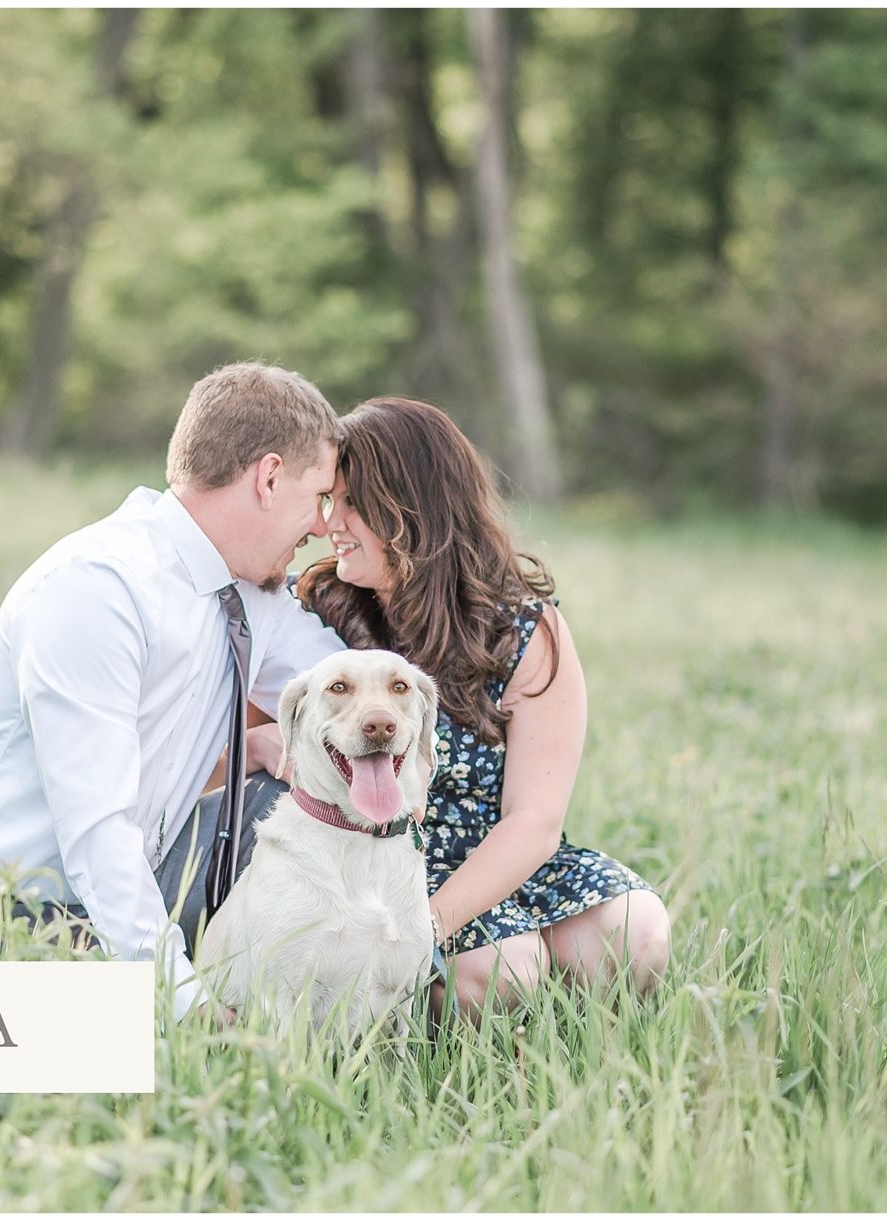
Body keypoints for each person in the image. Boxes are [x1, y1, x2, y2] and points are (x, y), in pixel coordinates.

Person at [0, 362, 347, 1022]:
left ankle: (323, 1026)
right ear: (270, 477)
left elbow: (363, 691)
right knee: (132, 1057)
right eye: (319, 497)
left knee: (293, 800)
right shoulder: (100, 585)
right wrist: (184, 1004)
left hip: (126, 888)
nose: (321, 524)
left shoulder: (252, 595)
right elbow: (99, 833)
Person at [280, 396, 670, 1016]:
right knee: (504, 970)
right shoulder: (320, 613)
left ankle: (563, 1041)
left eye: (353, 504)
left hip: (495, 856)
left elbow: (534, 821)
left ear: (413, 511)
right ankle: (426, 1040)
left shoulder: (523, 631)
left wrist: (424, 933)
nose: (330, 525)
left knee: (634, 931)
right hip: (376, 860)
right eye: (331, 502)